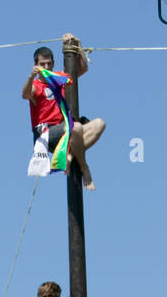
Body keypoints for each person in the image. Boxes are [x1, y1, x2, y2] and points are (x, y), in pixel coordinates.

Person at [22, 38, 105, 190]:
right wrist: (30, 77)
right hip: (46, 134)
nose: (46, 67)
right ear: (36, 65)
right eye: (42, 64)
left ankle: (70, 154)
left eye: (49, 63)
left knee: (99, 123)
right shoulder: (36, 85)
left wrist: (78, 46)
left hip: (66, 128)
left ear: (53, 63)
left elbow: (82, 69)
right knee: (76, 128)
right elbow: (26, 94)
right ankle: (84, 169)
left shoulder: (59, 78)